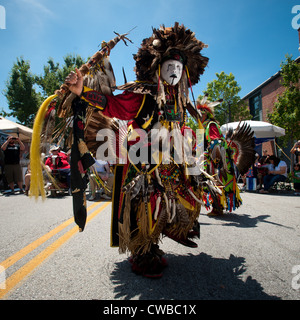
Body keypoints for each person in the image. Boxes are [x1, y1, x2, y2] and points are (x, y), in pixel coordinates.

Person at [64, 23, 213, 278]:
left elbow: (185, 130)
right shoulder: (143, 96)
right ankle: (143, 253)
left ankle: (172, 231)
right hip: (143, 164)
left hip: (172, 161)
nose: (174, 73)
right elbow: (112, 107)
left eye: (179, 68)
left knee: (181, 197)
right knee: (145, 206)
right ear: (157, 69)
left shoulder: (181, 101)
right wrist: (82, 91)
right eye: (169, 67)